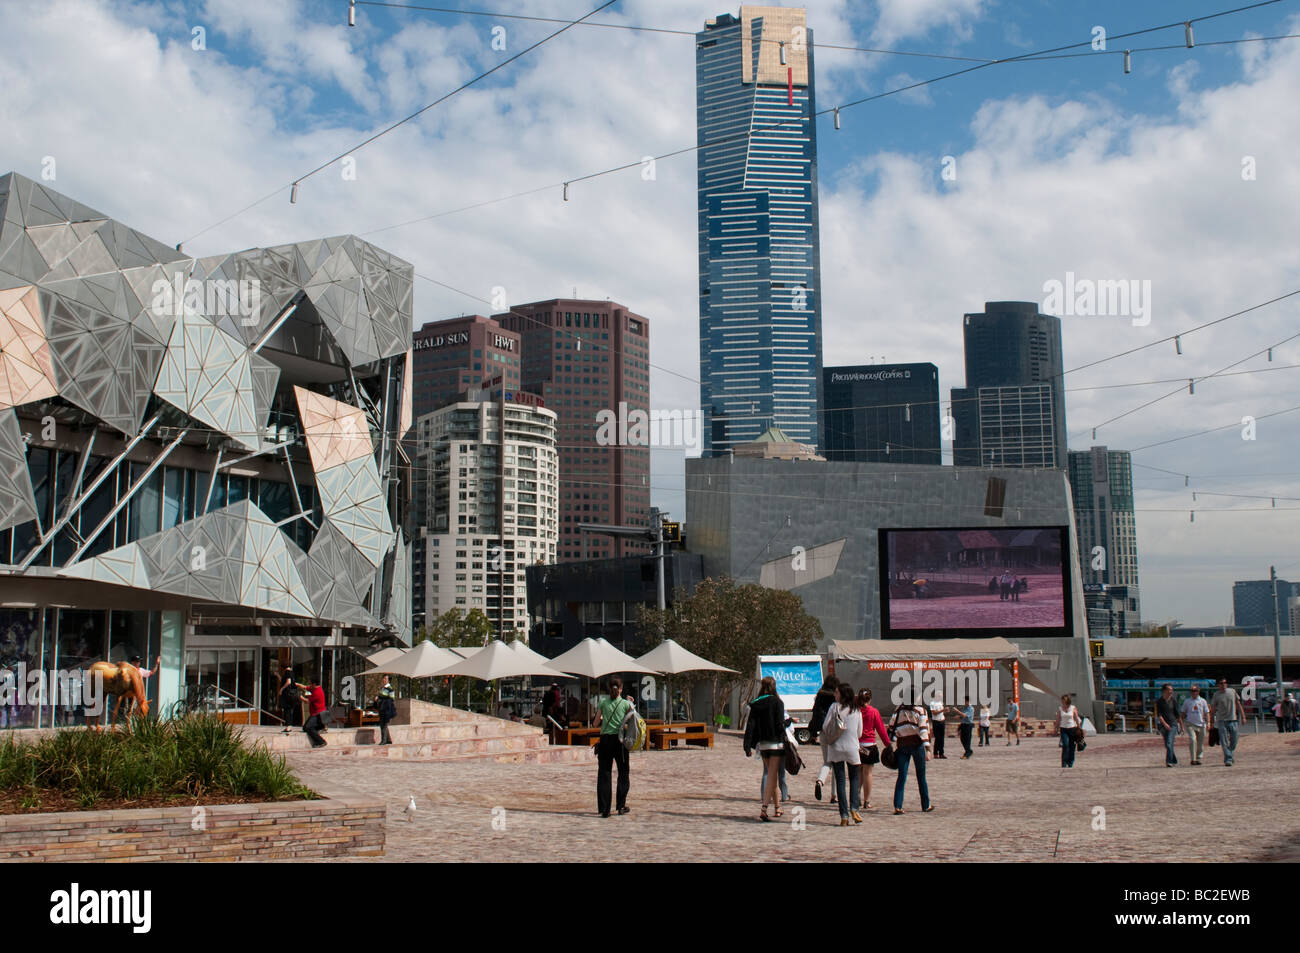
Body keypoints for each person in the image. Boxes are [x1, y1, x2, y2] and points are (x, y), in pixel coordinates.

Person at [743, 676, 787, 822]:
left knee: (772, 775)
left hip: (763, 745)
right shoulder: (777, 703)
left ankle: (777, 807)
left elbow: (750, 726)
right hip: (776, 743)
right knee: (771, 775)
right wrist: (788, 723)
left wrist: (747, 745)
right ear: (774, 686)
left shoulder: (756, 704)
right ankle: (764, 808)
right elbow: (780, 725)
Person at [824, 683, 863, 826]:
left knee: (840, 781)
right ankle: (854, 808)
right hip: (852, 747)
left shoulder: (834, 707)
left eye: (836, 692)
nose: (835, 695)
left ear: (842, 694)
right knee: (854, 779)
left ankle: (844, 815)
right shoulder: (856, 709)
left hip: (836, 747)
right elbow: (859, 732)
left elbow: (825, 726)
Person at [595, 677, 633, 818]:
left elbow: (594, 723)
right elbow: (633, 720)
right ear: (621, 688)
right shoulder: (625, 704)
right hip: (620, 740)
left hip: (605, 740)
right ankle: (621, 805)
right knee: (623, 773)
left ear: (608, 688)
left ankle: (605, 809)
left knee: (605, 774)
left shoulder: (603, 703)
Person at [889, 700, 933, 814]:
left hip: (902, 744)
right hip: (917, 745)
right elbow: (923, 730)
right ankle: (925, 804)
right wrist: (928, 748)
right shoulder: (920, 711)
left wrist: (891, 742)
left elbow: (892, 727)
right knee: (921, 776)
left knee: (902, 775)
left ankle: (898, 806)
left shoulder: (898, 710)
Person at [856, 688, 889, 810]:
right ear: (870, 699)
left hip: (857, 745)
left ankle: (856, 796)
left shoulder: (855, 710)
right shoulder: (874, 712)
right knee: (868, 773)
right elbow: (881, 729)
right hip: (869, 745)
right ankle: (867, 800)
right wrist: (887, 744)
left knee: (858, 772)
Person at [809, 675, 839, 803]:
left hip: (823, 731)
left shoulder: (819, 696)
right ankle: (834, 795)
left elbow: (815, 714)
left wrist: (813, 732)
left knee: (827, 761)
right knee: (837, 762)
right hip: (835, 731)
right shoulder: (836, 697)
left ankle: (820, 781)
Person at [1208, 677, 1245, 767]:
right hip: (1221, 721)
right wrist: (1211, 722)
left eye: (1225, 682)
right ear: (1218, 685)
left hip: (1233, 719)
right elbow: (1213, 709)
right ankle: (1228, 759)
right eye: (1221, 683)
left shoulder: (1232, 691)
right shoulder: (1216, 695)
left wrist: (1243, 716)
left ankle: (1230, 754)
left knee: (1234, 739)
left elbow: (1238, 704)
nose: (1223, 684)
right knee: (1224, 741)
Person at [1180, 683, 1209, 765]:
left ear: (1198, 691)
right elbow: (1183, 713)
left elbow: (1207, 712)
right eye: (1191, 691)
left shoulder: (1203, 701)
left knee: (1200, 743)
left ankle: (1199, 758)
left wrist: (1209, 722)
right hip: (1190, 723)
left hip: (1201, 724)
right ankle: (1193, 759)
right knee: (1193, 740)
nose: (1193, 692)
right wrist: (1181, 723)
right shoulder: (1187, 701)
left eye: (1194, 691)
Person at [1155, 683, 1179, 767]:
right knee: (1168, 744)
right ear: (1164, 691)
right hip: (1163, 726)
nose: (1171, 691)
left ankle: (1169, 761)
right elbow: (1159, 715)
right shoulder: (1159, 701)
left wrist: (1181, 726)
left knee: (1169, 742)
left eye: (1172, 690)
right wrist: (1165, 724)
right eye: (1169, 690)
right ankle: (1174, 760)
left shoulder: (1174, 700)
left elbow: (1177, 714)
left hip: (1173, 724)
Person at [1055, 693, 1081, 768]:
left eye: (1063, 701)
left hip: (1072, 728)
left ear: (1067, 701)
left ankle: (1070, 762)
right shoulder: (1060, 708)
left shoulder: (1073, 708)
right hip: (1063, 729)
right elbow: (1058, 719)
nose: (1062, 702)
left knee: (1072, 746)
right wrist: (1055, 728)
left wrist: (1079, 728)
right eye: (1062, 701)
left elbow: (1076, 718)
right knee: (1065, 745)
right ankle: (1064, 762)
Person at [302, 675, 327, 748]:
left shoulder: (317, 692)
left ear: (314, 684)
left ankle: (321, 741)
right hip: (315, 713)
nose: (309, 685)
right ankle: (321, 726)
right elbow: (305, 687)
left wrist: (299, 697)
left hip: (317, 714)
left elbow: (307, 701)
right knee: (305, 728)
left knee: (309, 727)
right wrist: (296, 684)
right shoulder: (315, 688)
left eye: (310, 683)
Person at [278, 666, 300, 733]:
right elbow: (285, 681)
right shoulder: (292, 673)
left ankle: (288, 726)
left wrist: (281, 689)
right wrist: (278, 676)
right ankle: (289, 725)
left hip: (287, 694)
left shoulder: (287, 672)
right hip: (292, 694)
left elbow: (288, 682)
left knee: (287, 709)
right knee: (289, 709)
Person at [376, 674, 397, 745]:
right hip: (382, 708)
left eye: (385, 678)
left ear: (388, 680)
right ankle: (388, 740)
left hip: (386, 709)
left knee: (384, 724)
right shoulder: (383, 688)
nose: (384, 680)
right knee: (383, 724)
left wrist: (381, 699)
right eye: (383, 678)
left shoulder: (390, 689)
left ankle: (383, 740)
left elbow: (392, 699)